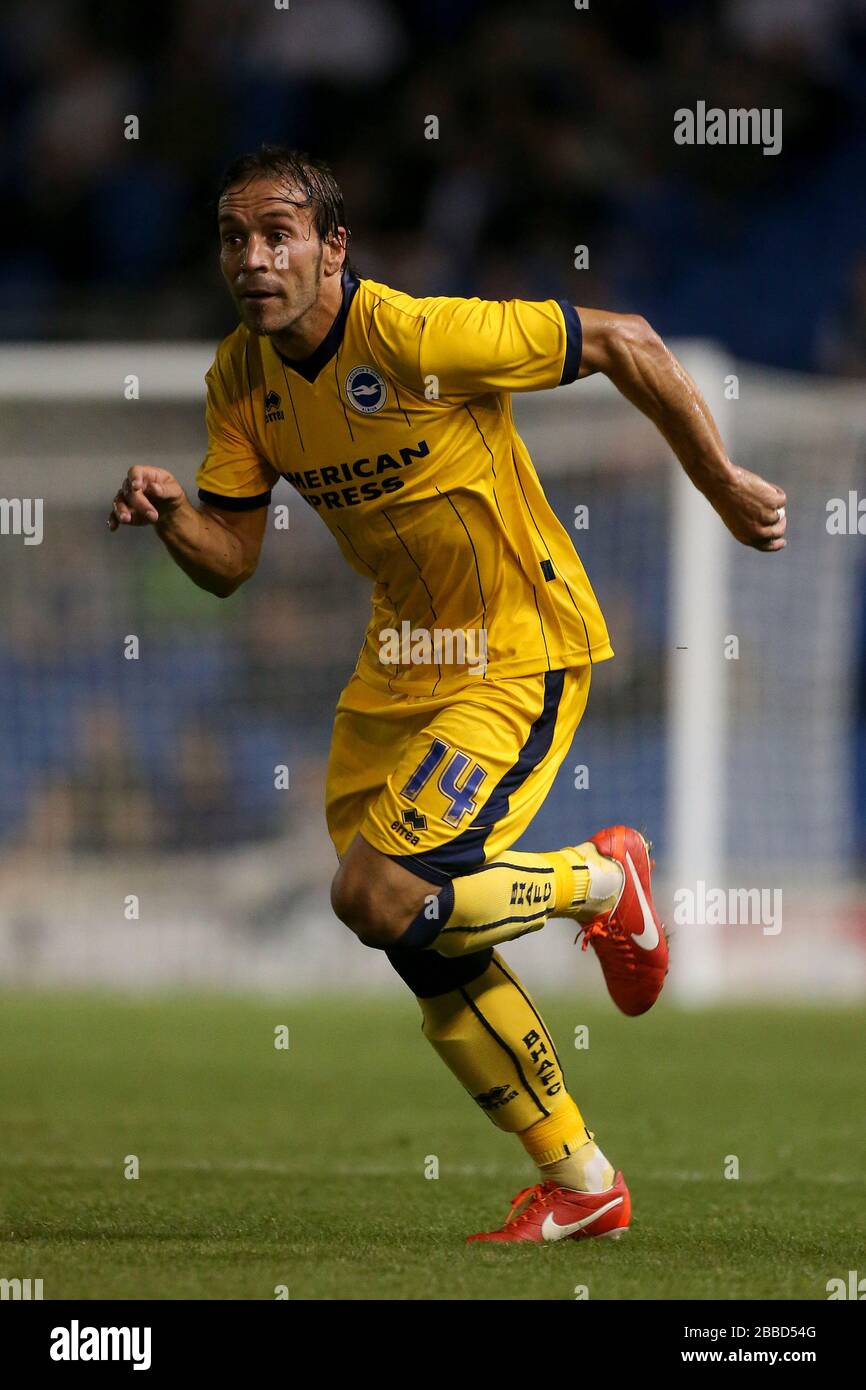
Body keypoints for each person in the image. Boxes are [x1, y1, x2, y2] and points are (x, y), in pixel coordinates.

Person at [108, 146, 787, 1243]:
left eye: (277, 233)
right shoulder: (240, 379)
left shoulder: (415, 336)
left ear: (333, 249)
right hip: (396, 672)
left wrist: (719, 485)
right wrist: (175, 515)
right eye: (234, 237)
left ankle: (599, 881)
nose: (252, 257)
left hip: (514, 648)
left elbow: (624, 339)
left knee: (373, 895)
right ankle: (579, 1179)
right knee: (417, 937)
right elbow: (231, 559)